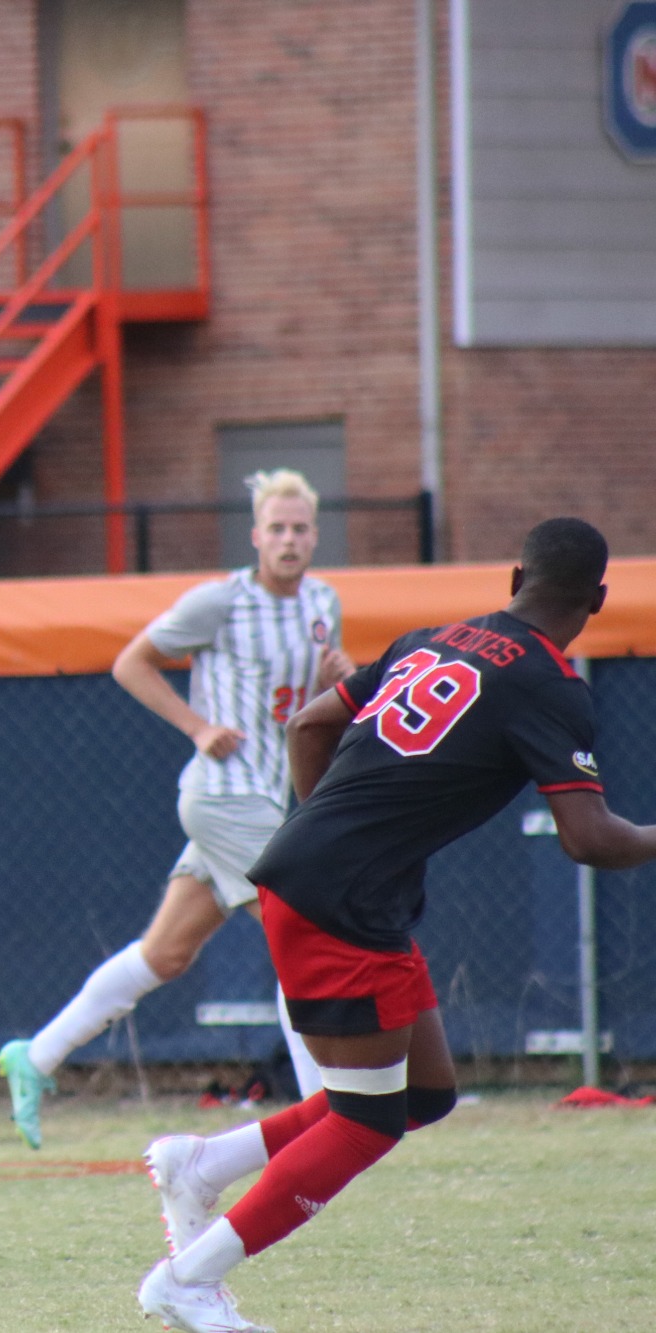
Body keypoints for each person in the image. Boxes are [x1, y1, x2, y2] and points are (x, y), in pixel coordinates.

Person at [135, 516, 656, 1333]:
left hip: (340, 883)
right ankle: (186, 1282)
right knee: (365, 1121)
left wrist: (339, 829)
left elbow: (308, 724)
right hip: (342, 895)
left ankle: (201, 1163)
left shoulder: (432, 638)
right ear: (597, 599)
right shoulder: (549, 683)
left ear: (514, 577)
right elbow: (590, 839)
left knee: (424, 1092)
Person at [0, 470, 352, 1148]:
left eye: (300, 528)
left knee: (166, 953)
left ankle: (35, 1056)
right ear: (255, 536)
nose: (288, 539)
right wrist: (197, 726)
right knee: (305, 934)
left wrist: (341, 677)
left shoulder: (322, 603)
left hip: (265, 797)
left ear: (315, 535)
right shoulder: (222, 601)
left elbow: (307, 707)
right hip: (222, 796)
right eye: (276, 528)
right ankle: (324, 1115)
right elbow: (131, 662)